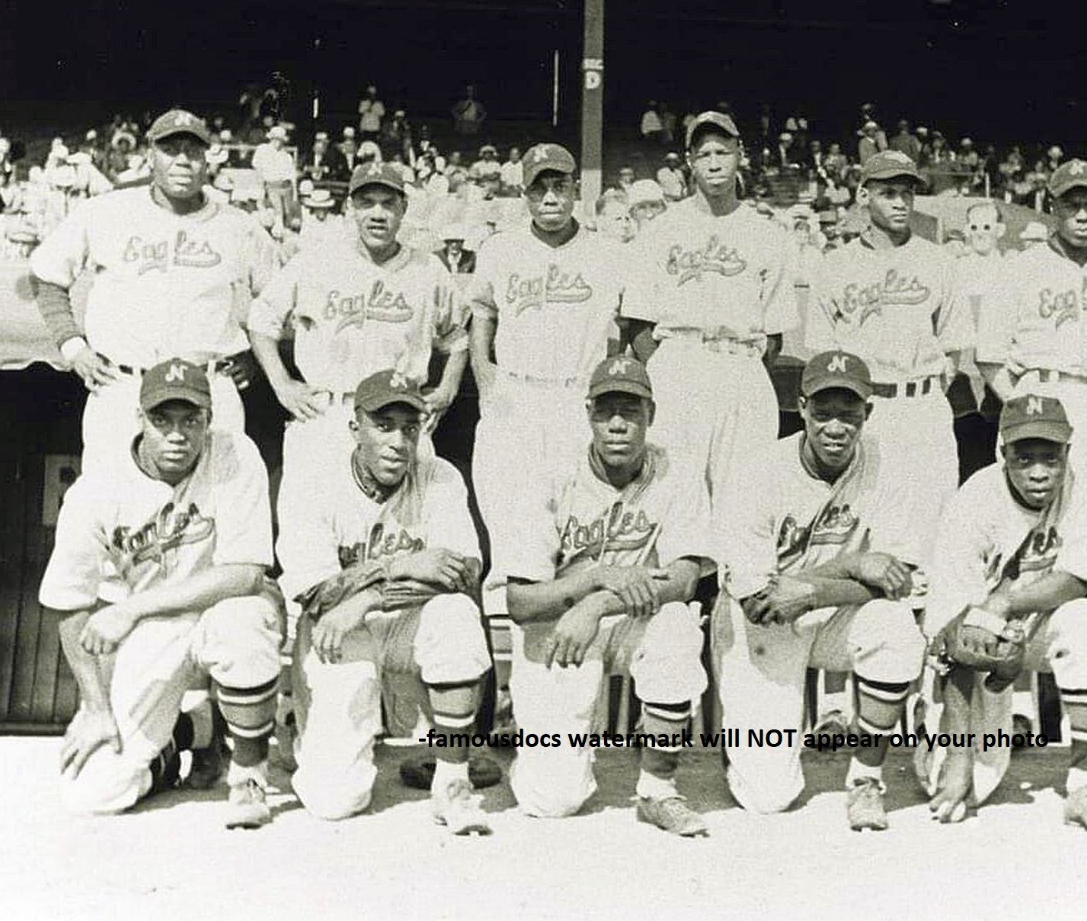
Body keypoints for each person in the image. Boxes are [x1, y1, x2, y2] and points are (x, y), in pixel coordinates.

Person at [39, 359, 282, 827]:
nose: (178, 434)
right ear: (139, 420)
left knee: (244, 623)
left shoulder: (234, 453)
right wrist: (95, 707)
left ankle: (248, 770)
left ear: (209, 420)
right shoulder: (97, 488)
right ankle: (193, 732)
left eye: (191, 420)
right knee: (93, 792)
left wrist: (131, 608)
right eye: (162, 420)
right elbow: (66, 601)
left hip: (223, 609)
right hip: (155, 631)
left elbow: (247, 573)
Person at [500, 357, 713, 835]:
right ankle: (535, 741)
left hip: (625, 615)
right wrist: (595, 580)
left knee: (678, 626)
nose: (618, 424)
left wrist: (600, 601)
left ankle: (658, 789)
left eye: (631, 411)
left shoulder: (676, 470)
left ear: (650, 415)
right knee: (552, 799)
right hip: (560, 627)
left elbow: (683, 580)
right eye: (606, 411)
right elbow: (519, 602)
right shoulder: (549, 474)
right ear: (589, 414)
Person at [276, 369, 494, 832]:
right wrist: (393, 569)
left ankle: (452, 782)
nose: (398, 441)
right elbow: (317, 595)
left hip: (401, 623)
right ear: (355, 429)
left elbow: (464, 575)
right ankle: (311, 738)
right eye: (384, 425)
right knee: (336, 799)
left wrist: (367, 595)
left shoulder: (439, 476)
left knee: (457, 615)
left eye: (409, 427)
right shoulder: (313, 480)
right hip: (340, 631)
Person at [715, 352, 925, 830]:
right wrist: (854, 564)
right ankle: (740, 746)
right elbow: (759, 601)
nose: (836, 426)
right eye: (823, 412)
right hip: (760, 624)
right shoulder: (758, 472)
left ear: (867, 413)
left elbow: (901, 583)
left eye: (849, 413)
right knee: (767, 796)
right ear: (802, 407)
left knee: (896, 631)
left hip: (829, 611)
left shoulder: (891, 464)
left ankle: (867, 779)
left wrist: (813, 591)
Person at [918, 395, 1087, 837]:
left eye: (1050, 457)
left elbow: (1078, 579)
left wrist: (1006, 603)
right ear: (1002, 453)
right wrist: (959, 756)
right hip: (979, 643)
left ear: (1067, 453)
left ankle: (1086, 787)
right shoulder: (973, 500)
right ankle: (942, 741)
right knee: (963, 787)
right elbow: (951, 636)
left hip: (1038, 620)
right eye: (1023, 457)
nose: (1037, 471)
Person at [29, 109, 277, 473]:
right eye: (170, 149)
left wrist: (255, 357)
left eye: (192, 151)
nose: (182, 160)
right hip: (123, 384)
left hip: (210, 385)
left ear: (206, 159)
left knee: (215, 512)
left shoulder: (239, 225)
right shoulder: (107, 211)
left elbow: (277, 302)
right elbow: (45, 273)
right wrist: (73, 346)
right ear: (150, 156)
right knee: (113, 508)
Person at [248, 159, 469, 518]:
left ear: (404, 208)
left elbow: (458, 336)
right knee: (310, 525)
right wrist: (282, 383)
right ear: (350, 208)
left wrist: (448, 389)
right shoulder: (317, 261)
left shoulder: (428, 269)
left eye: (388, 202)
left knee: (402, 530)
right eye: (367, 202)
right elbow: (261, 319)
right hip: (327, 410)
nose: (377, 213)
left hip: (399, 416)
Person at [468, 144, 627, 592]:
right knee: (508, 518)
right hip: (516, 393)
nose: (551, 198)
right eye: (540, 188)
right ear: (525, 194)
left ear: (576, 189)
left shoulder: (607, 252)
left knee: (578, 512)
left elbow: (633, 325)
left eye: (560, 186)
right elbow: (482, 314)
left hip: (578, 394)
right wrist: (485, 377)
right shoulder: (500, 249)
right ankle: (510, 623)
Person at [807, 149, 974, 572]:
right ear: (863, 195)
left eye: (907, 193)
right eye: (888, 193)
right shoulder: (835, 264)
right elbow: (823, 352)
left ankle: (926, 626)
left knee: (932, 522)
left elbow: (954, 347)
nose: (901, 202)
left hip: (922, 403)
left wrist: (928, 389)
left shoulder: (939, 262)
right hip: (865, 408)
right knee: (862, 520)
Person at [620, 111, 796, 506]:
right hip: (679, 362)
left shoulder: (768, 234)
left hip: (740, 363)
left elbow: (775, 335)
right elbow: (638, 324)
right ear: (689, 161)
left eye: (723, 151)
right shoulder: (662, 229)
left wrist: (741, 367)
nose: (714, 162)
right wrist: (666, 372)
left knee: (744, 496)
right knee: (674, 494)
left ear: (740, 155)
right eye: (703, 154)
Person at [978, 160, 1087, 489]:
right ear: (1053, 207)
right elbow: (989, 355)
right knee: (1034, 515)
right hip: (1042, 394)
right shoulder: (1020, 268)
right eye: (1071, 205)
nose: (1083, 215)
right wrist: (1020, 401)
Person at [251, 123, 301, 232]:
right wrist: (261, 187)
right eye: (275, 139)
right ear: (271, 138)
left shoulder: (285, 155)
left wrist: (295, 194)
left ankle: (286, 231)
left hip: (284, 187)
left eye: (280, 140)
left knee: (288, 214)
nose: (277, 143)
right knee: (273, 213)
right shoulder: (262, 149)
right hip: (269, 186)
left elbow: (291, 175)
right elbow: (257, 168)